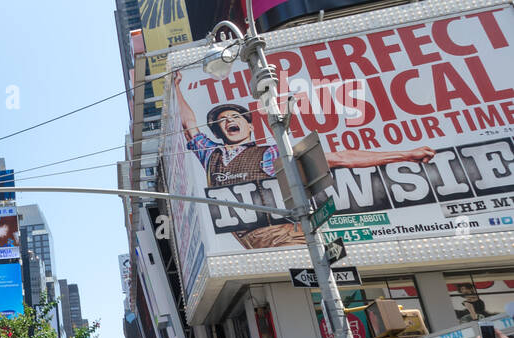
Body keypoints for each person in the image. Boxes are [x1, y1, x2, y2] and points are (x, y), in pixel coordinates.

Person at [172, 71, 435, 250]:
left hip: (285, 238)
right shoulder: (211, 155)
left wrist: (405, 155)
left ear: (250, 127)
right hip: (254, 246)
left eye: (235, 117)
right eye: (222, 121)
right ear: (218, 131)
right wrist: (175, 87)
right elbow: (189, 124)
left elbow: (340, 158)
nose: (229, 121)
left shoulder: (269, 154)